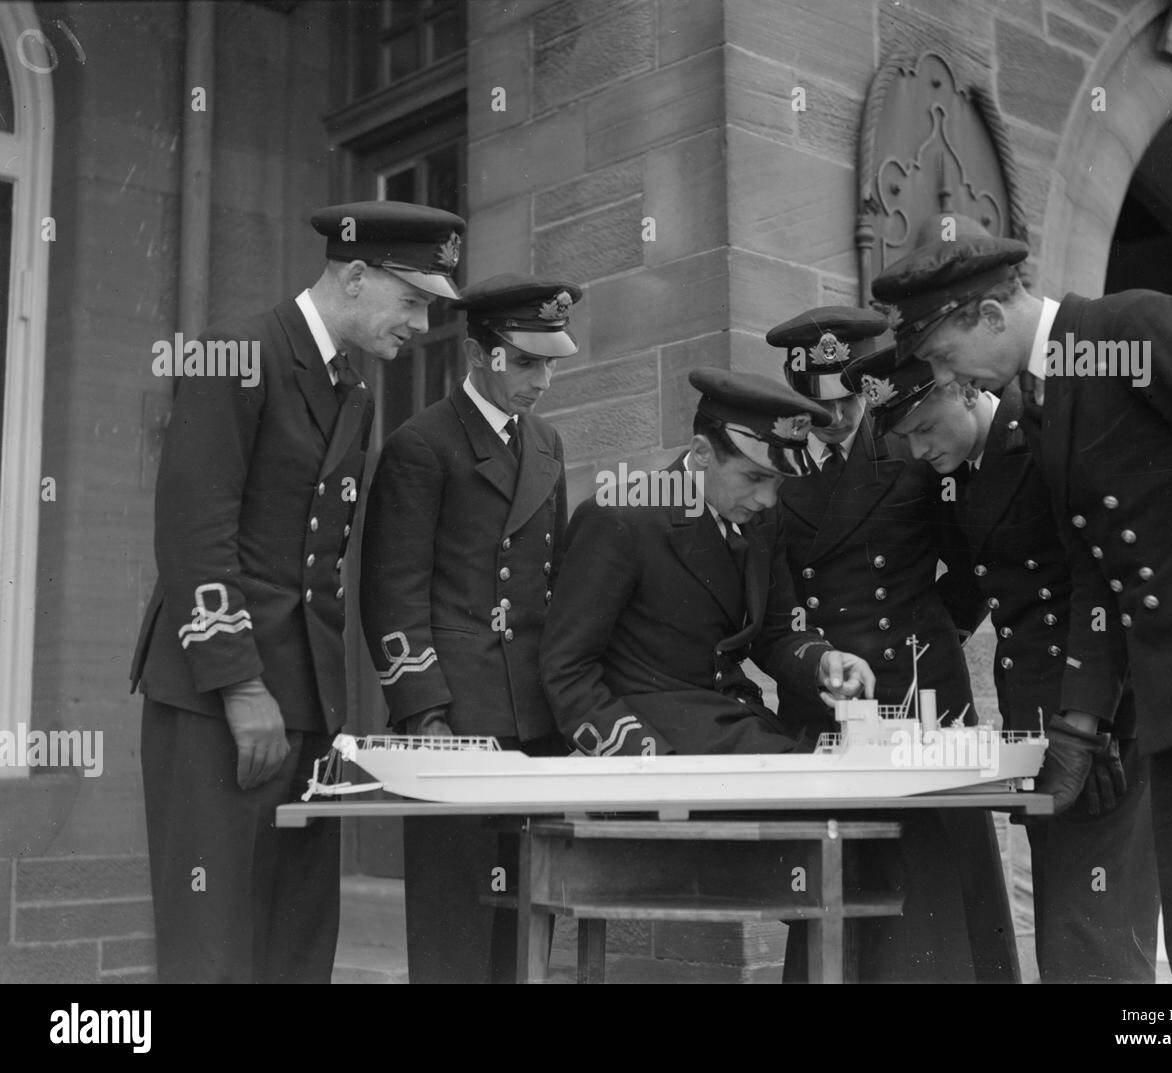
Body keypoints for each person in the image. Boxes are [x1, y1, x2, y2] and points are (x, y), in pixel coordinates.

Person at [873, 222, 1172, 982]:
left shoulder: (1133, 327)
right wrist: (1079, 718)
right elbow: (1095, 570)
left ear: (990, 319)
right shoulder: (1045, 402)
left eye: (944, 355)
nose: (955, 377)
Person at [130, 200, 464, 983]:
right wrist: (242, 685)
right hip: (216, 702)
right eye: (412, 301)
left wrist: (322, 714)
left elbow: (320, 564)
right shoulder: (237, 354)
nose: (420, 325)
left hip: (304, 711)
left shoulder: (351, 385)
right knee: (211, 946)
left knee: (298, 946)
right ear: (354, 275)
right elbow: (194, 536)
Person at [876, 364, 1160, 982]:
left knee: (1094, 930)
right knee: (1065, 926)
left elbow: (1104, 589)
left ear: (965, 386)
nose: (919, 449)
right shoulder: (966, 470)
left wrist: (1094, 723)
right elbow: (985, 585)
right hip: (1039, 717)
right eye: (907, 437)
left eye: (925, 427)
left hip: (1095, 718)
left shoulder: (1037, 442)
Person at [768, 308, 1018, 982]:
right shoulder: (772, 470)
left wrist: (936, 628)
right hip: (827, 707)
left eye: (849, 400)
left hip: (921, 696)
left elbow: (976, 558)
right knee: (841, 903)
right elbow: (771, 606)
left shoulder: (912, 445)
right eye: (819, 408)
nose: (838, 418)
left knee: (935, 898)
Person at [360, 273, 579, 983]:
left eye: (550, 362)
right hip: (458, 723)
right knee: (454, 927)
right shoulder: (421, 444)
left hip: (535, 720)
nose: (541, 379)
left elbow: (558, 585)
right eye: (526, 361)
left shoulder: (547, 444)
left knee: (525, 923)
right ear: (481, 354)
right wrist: (423, 712)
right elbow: (393, 592)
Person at [540, 368, 874, 757]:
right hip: (659, 740)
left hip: (738, 724)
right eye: (753, 477)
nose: (767, 498)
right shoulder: (621, 517)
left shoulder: (763, 518)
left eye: (778, 481)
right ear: (701, 453)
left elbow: (779, 631)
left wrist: (823, 661)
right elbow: (566, 670)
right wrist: (647, 763)